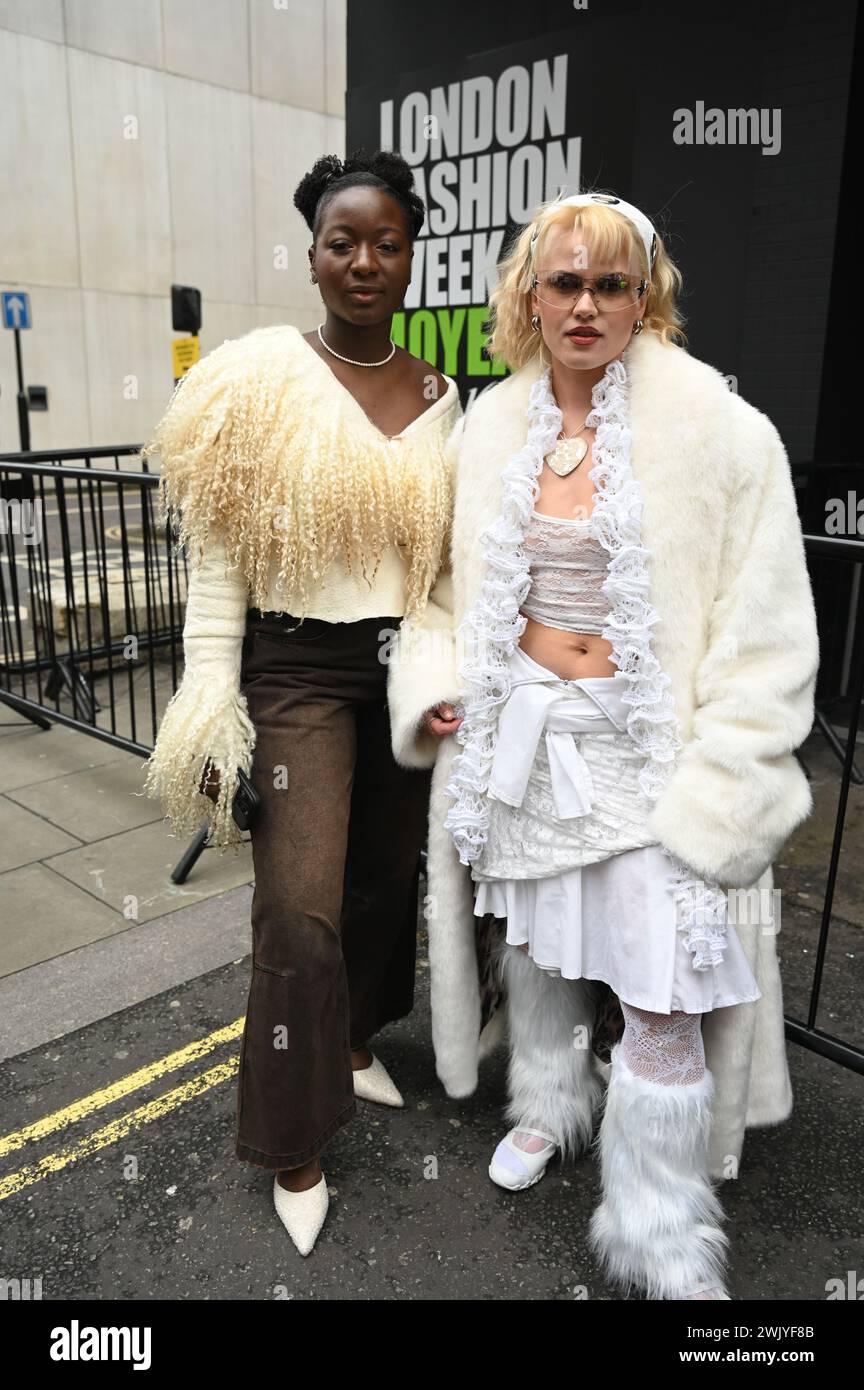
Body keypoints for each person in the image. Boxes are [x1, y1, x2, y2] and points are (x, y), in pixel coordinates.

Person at [400, 190, 820, 1300]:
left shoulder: (722, 431)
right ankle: (548, 1106)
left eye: (611, 283)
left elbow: (768, 634)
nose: (585, 304)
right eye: (564, 282)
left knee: (662, 987)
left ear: (648, 296)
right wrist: (440, 689)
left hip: (650, 759)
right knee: (541, 957)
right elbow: (440, 597)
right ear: (529, 297)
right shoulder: (490, 428)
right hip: (528, 744)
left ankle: (662, 1224)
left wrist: (727, 787)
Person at [139, 149, 463, 1257]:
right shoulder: (258, 376)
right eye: (342, 241)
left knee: (382, 879)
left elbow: (439, 564)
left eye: (386, 241)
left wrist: (446, 670)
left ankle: (359, 1040)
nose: (364, 260)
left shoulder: (438, 393)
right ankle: (292, 1139)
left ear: (413, 253)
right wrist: (211, 699)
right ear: (312, 254)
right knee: (297, 908)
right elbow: (220, 559)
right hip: (295, 673)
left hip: (400, 669)